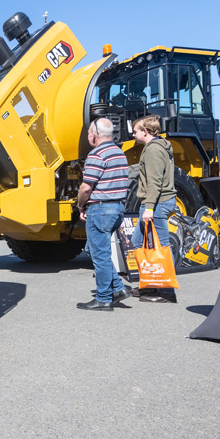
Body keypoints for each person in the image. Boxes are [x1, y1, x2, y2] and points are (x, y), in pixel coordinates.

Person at [76, 117, 133, 310]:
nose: (88, 136)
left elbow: (86, 187)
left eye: (89, 133)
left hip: (100, 209)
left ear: (95, 135)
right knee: (94, 249)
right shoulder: (119, 153)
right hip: (117, 208)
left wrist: (80, 205)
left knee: (99, 255)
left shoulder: (96, 154)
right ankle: (118, 288)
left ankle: (103, 298)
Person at [132, 115, 177, 304]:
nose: (132, 134)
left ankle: (165, 291)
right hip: (157, 203)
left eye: (135, 131)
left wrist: (149, 208)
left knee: (162, 247)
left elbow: (155, 182)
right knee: (137, 241)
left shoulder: (153, 150)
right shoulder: (159, 147)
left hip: (157, 204)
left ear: (146, 131)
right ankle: (150, 284)